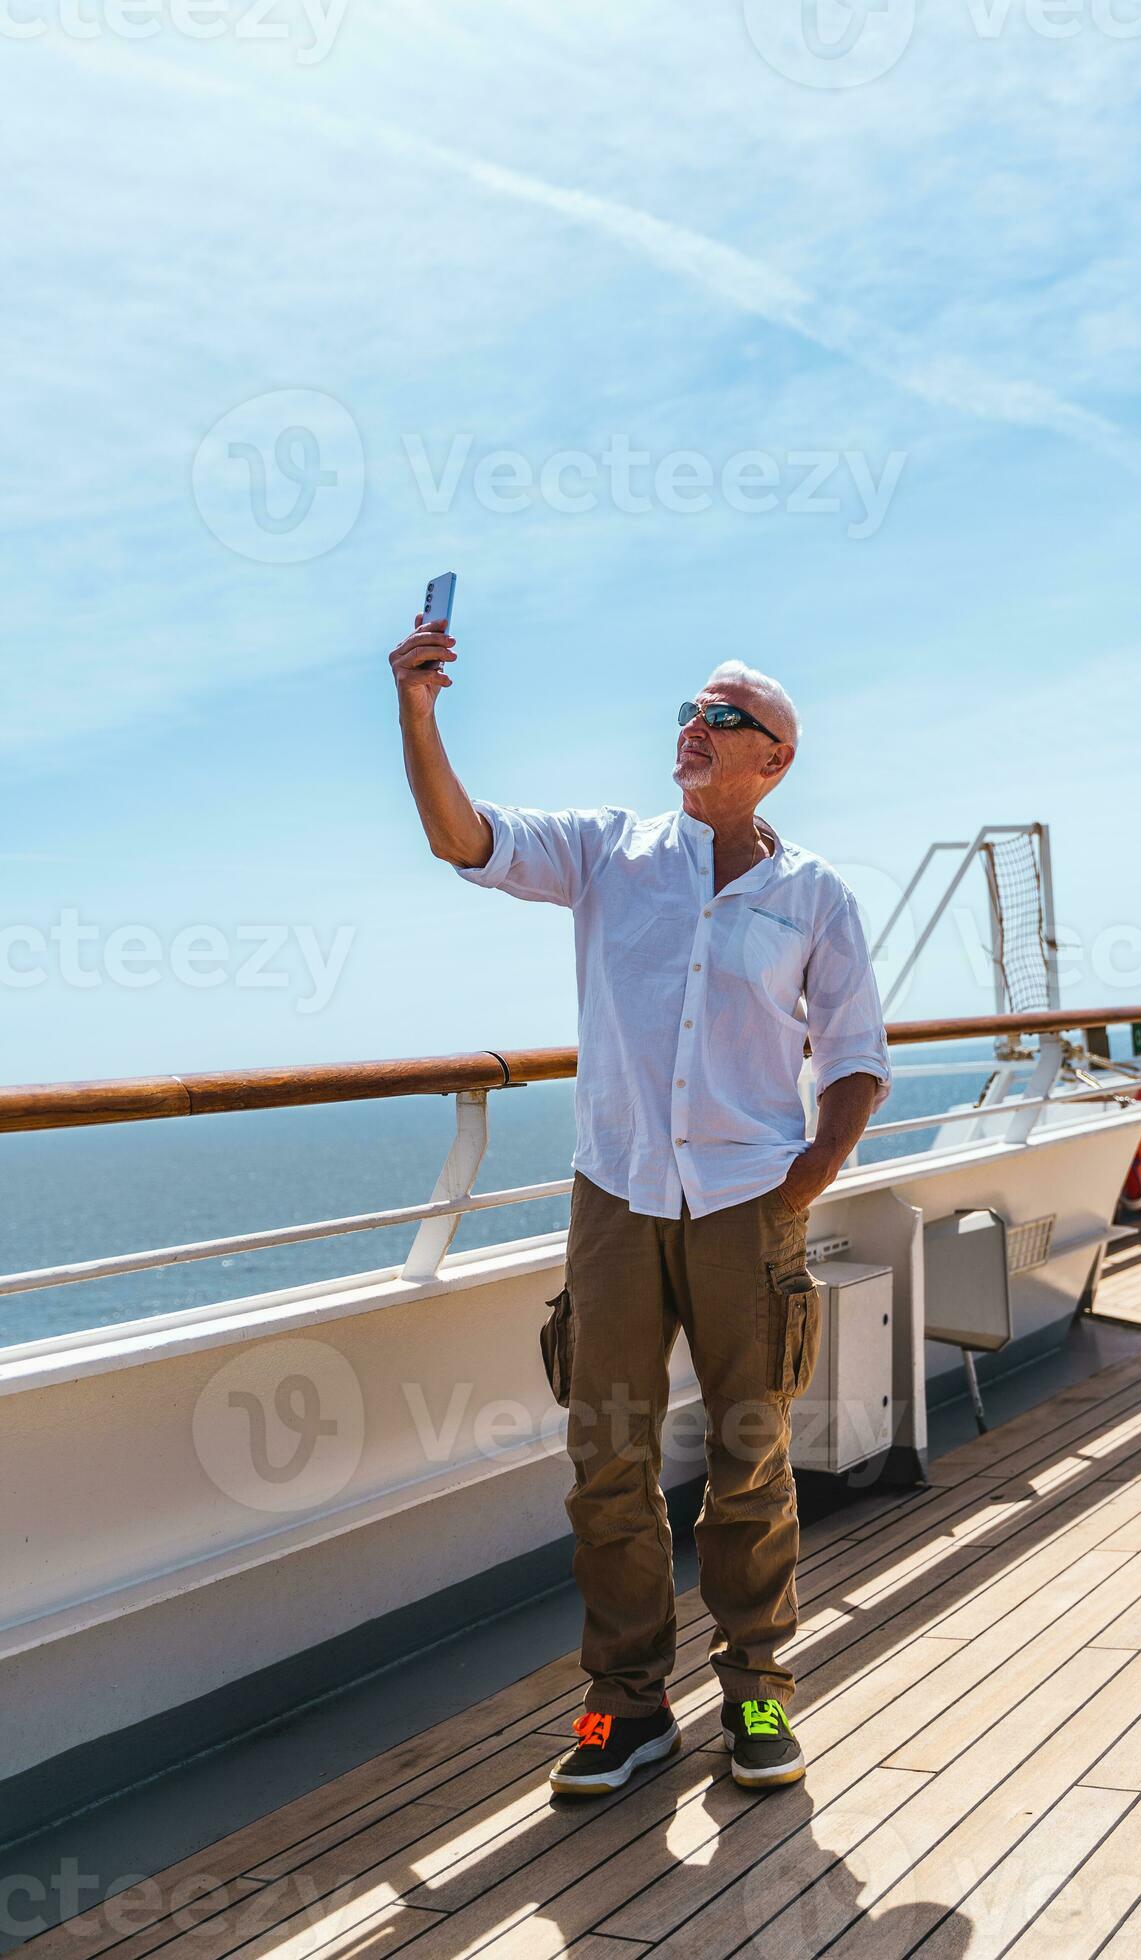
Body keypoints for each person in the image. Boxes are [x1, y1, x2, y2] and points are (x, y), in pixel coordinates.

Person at [391, 610, 891, 1797]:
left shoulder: (813, 895)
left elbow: (859, 1054)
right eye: (687, 711)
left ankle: (759, 1685)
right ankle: (625, 1705)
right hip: (615, 1196)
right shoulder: (607, 851)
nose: (691, 729)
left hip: (745, 1206)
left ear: (772, 758)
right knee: (605, 1458)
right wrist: (417, 714)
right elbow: (462, 837)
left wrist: (808, 1174)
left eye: (721, 718)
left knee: (748, 1458)